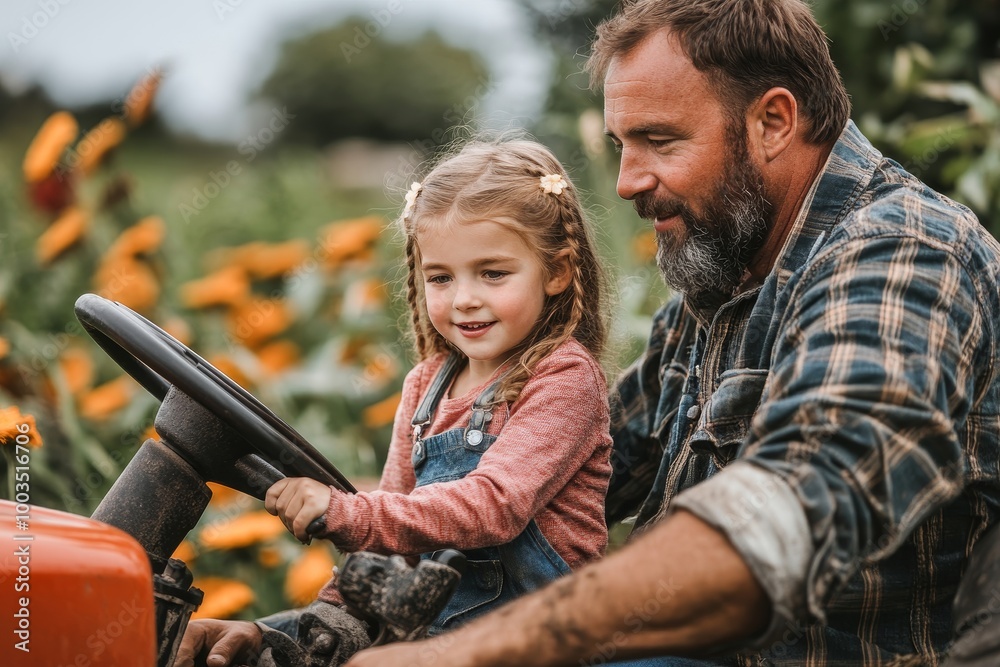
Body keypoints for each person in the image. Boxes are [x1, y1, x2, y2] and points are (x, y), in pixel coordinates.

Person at [338, 1, 1000, 666]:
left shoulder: (902, 253)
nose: (627, 181)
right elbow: (541, 478)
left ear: (773, 121)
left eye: (660, 141)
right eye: (622, 144)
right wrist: (301, 630)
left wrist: (468, 653)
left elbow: (797, 504)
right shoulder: (719, 292)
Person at [176, 138, 616, 666]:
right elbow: (395, 533)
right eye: (441, 277)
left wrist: (346, 513)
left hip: (546, 640)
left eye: (493, 273)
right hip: (441, 642)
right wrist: (333, 617)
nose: (464, 298)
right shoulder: (425, 386)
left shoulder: (563, 379)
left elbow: (492, 508)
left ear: (557, 272)